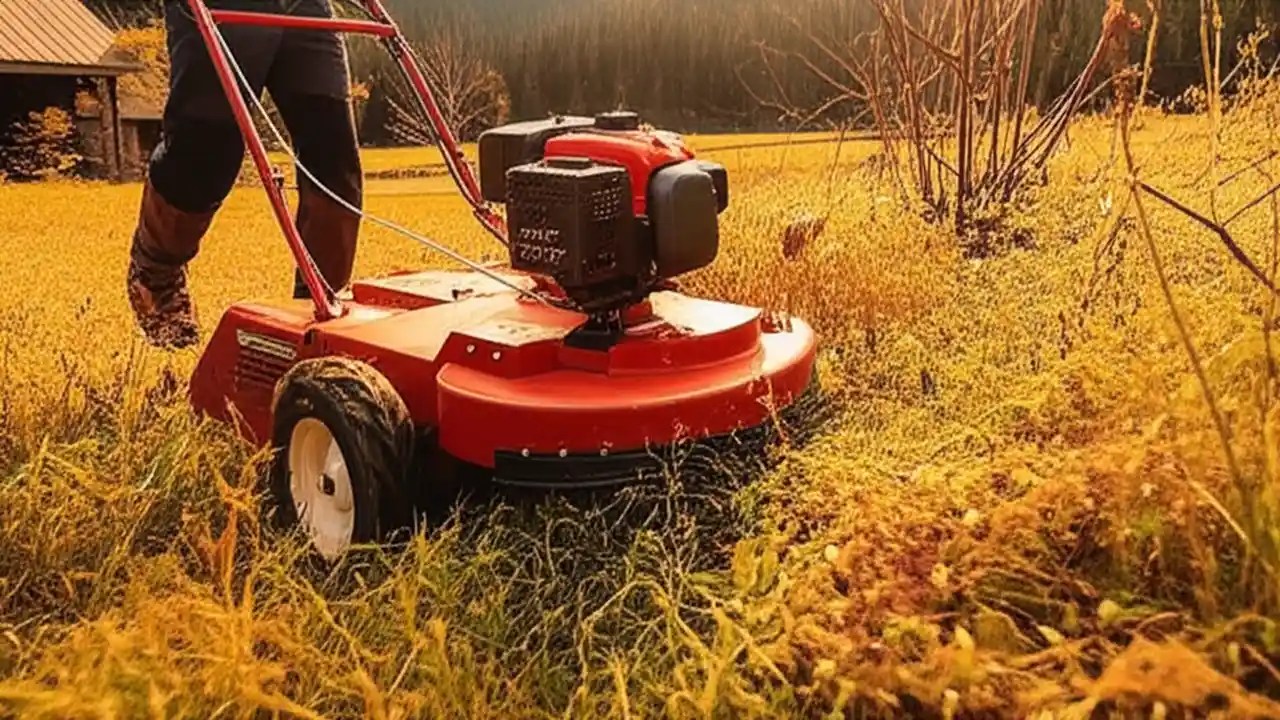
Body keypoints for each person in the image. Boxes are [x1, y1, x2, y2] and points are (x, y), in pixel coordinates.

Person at [127, 0, 364, 349]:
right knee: (208, 150)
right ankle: (154, 275)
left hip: (305, 6)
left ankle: (321, 309)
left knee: (334, 158)